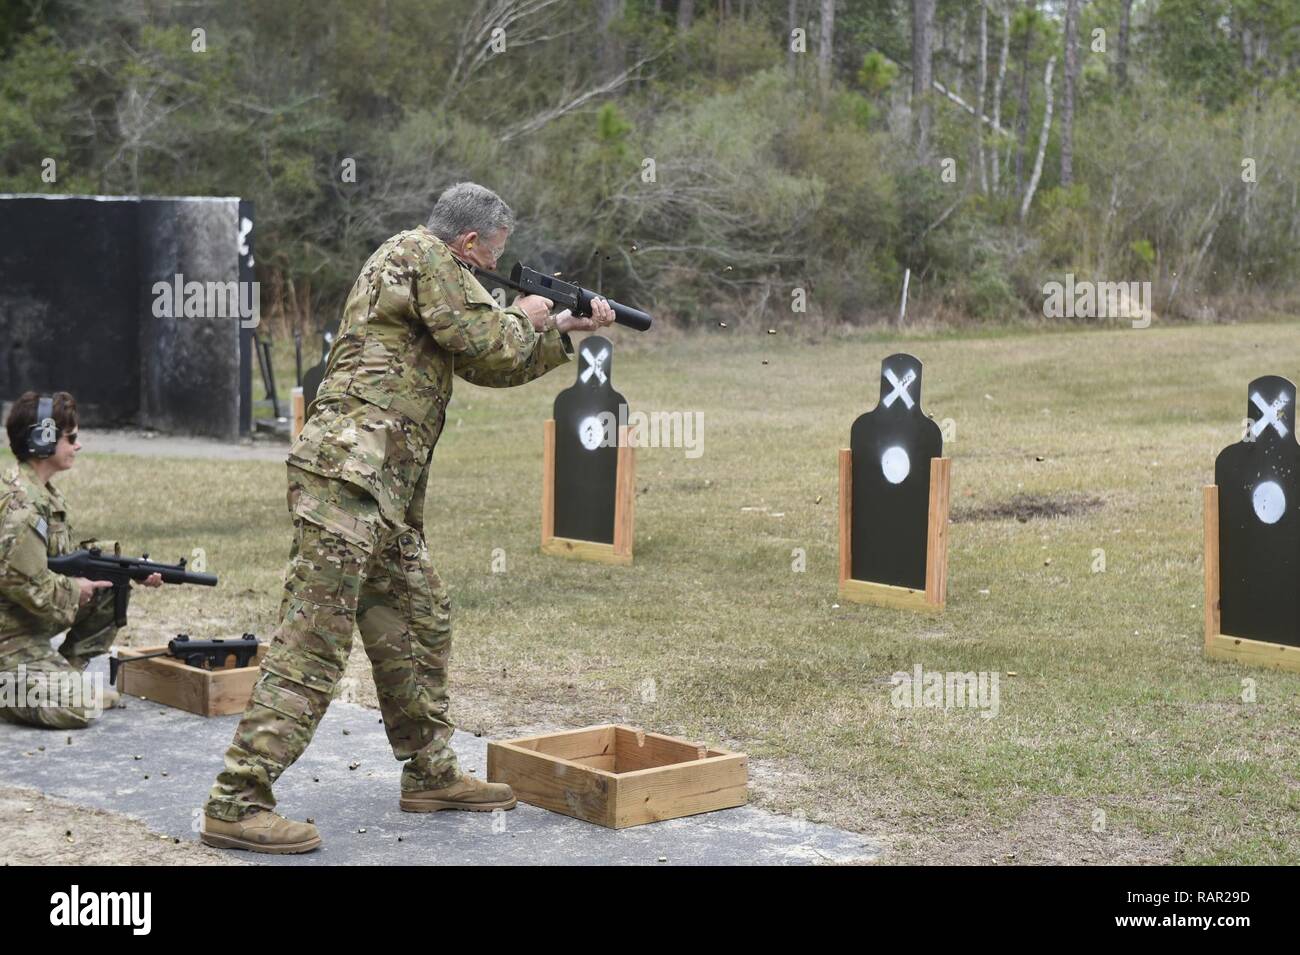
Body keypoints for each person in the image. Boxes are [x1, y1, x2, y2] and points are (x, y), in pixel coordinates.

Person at [200, 182, 616, 854]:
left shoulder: (437, 276)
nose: (491, 268)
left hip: (382, 491)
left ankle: (430, 771)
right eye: (492, 255)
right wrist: (531, 311)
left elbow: (490, 360)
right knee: (314, 643)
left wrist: (558, 331)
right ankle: (236, 798)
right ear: (469, 242)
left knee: (420, 620)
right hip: (349, 478)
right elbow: (488, 334)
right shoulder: (421, 255)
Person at [0, 391, 161, 729]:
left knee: (110, 585)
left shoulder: (43, 495)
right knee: (80, 706)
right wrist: (75, 590)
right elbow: (26, 587)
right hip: (9, 638)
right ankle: (20, 688)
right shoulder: (22, 507)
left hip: (25, 625)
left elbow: (59, 559)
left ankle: (60, 676)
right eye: (70, 437)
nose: (78, 445)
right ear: (42, 440)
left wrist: (127, 568)